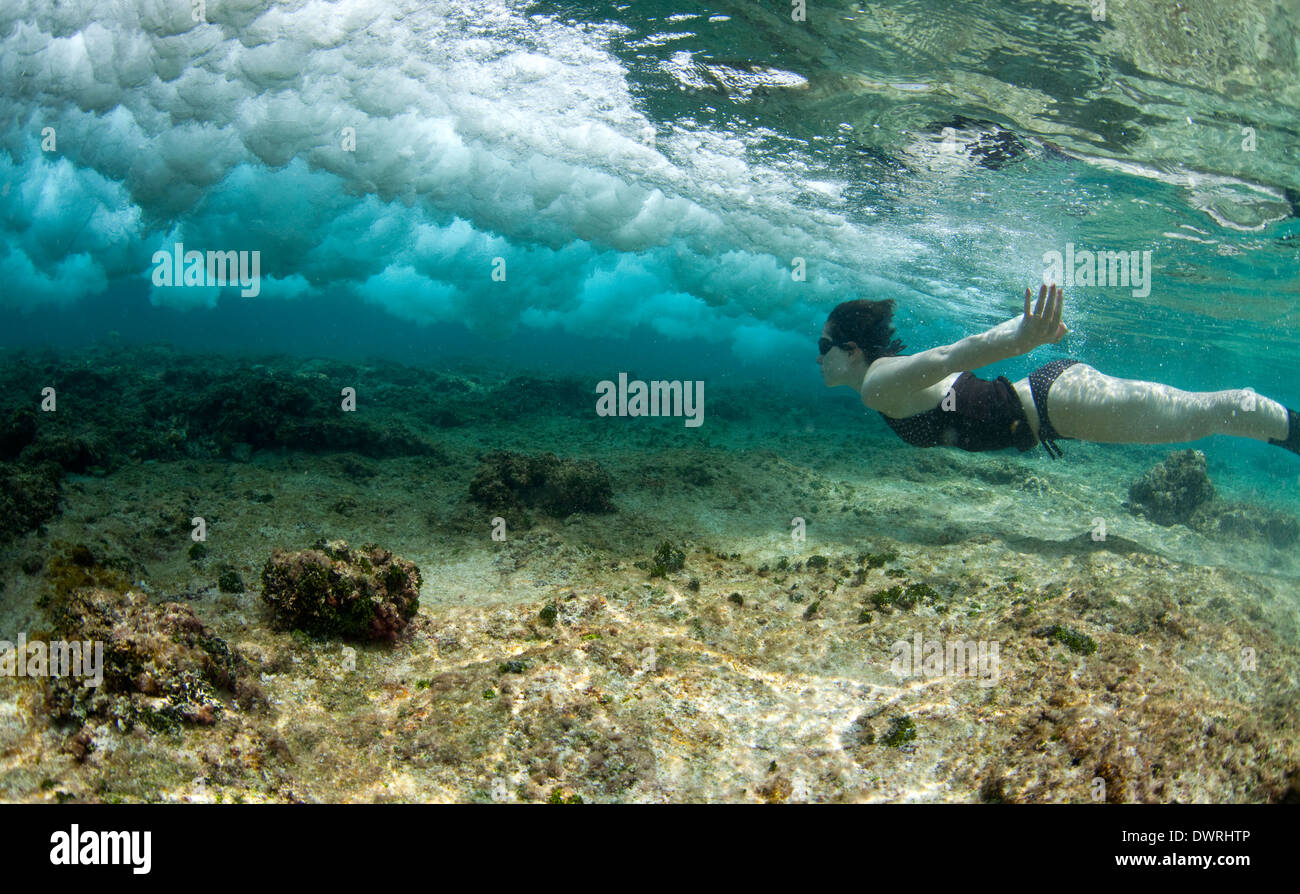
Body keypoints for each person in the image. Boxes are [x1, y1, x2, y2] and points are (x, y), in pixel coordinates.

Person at [818, 285, 1300, 460]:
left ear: (852, 349)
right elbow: (948, 363)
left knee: (1202, 415)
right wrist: (1023, 335)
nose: (817, 357)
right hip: (1054, 402)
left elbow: (949, 357)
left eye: (824, 347)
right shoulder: (883, 379)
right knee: (1197, 417)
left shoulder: (878, 382)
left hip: (1056, 404)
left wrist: (1020, 338)